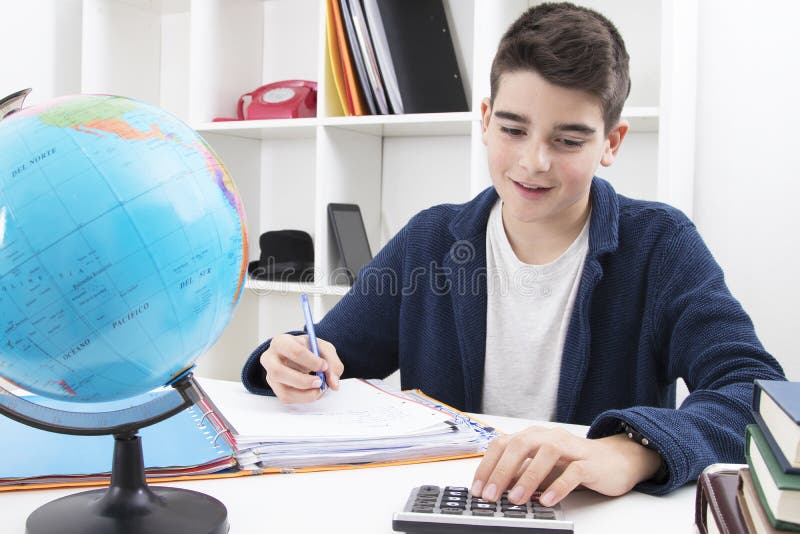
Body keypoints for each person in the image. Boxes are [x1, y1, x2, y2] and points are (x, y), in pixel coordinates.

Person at [241, 2, 785, 507]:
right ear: (485, 119)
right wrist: (290, 363)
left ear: (612, 143)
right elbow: (335, 351)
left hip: (590, 513)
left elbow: (755, 393)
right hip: (454, 504)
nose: (533, 161)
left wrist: (630, 450)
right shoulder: (430, 240)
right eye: (512, 129)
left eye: (569, 140)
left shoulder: (660, 245)